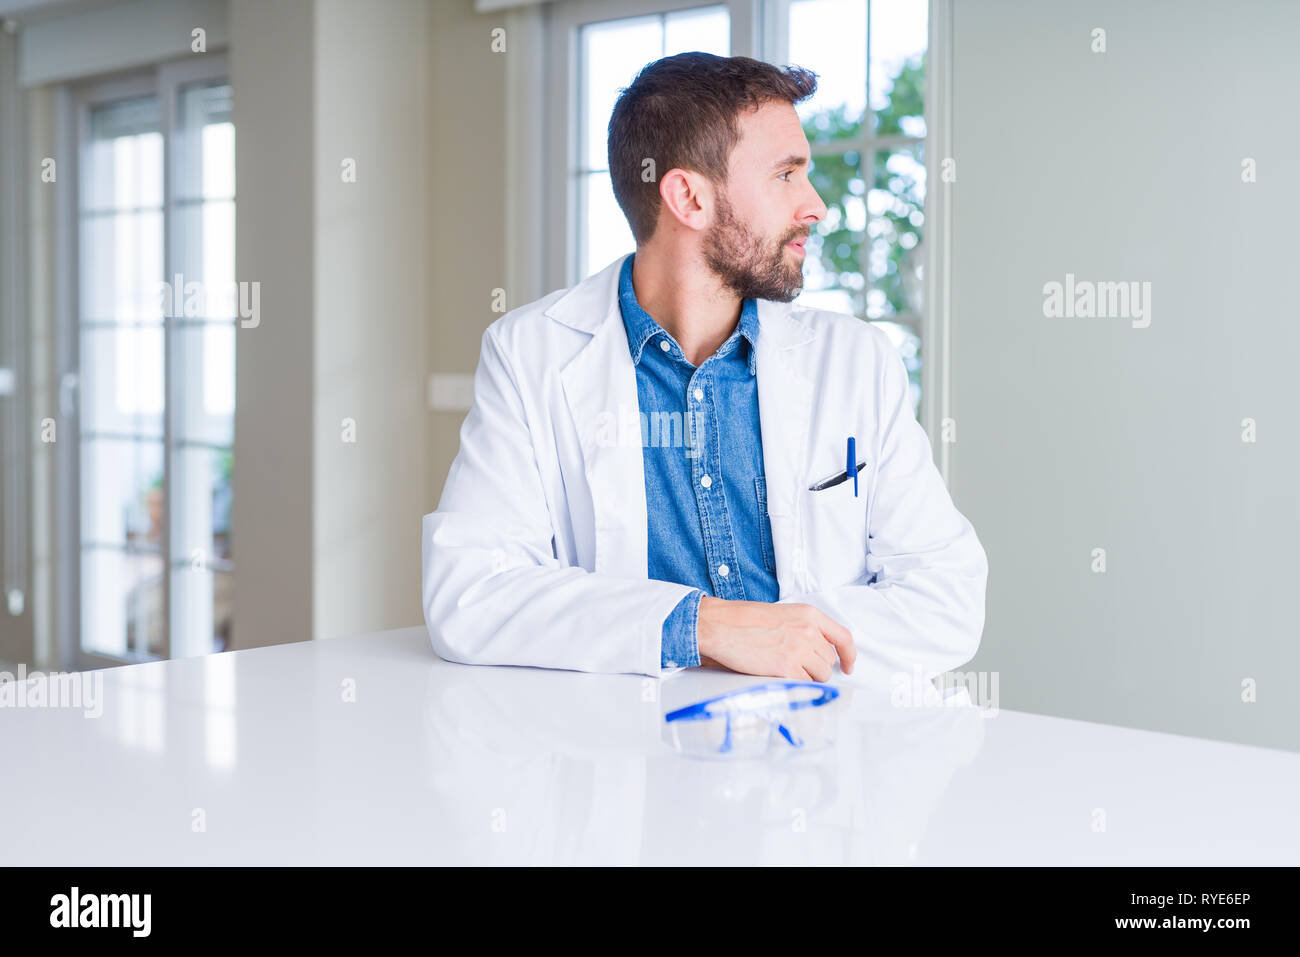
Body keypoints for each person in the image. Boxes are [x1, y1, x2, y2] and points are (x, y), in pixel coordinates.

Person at [422, 53, 987, 686]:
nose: (815, 206)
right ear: (688, 196)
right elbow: (470, 595)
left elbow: (947, 598)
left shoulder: (856, 362)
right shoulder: (529, 354)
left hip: (821, 755)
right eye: (785, 175)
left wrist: (774, 640)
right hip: (625, 757)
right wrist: (705, 627)